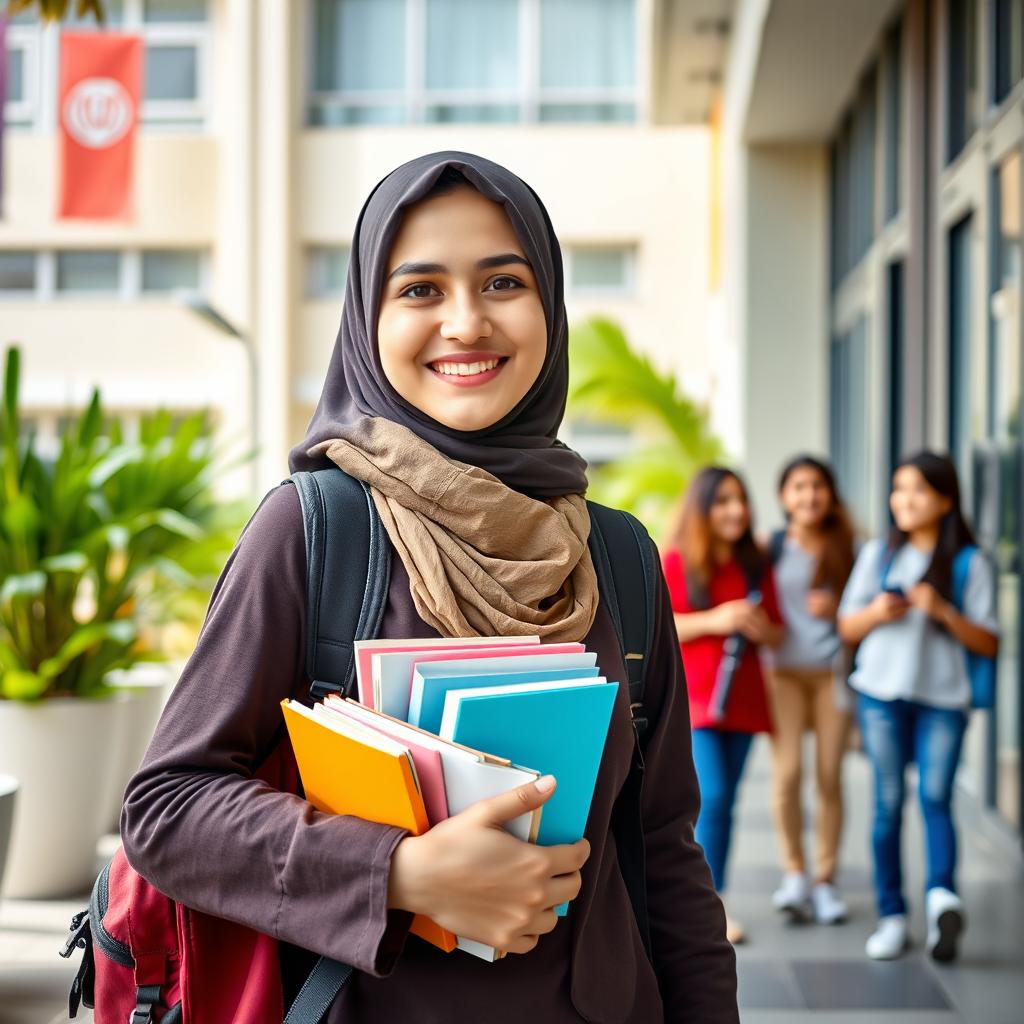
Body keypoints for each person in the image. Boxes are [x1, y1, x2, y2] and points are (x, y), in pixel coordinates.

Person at [119, 152, 739, 1022]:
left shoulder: (621, 559)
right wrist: (399, 873)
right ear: (367, 319)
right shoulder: (315, 532)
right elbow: (166, 809)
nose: (466, 321)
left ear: (549, 306)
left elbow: (665, 850)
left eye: (503, 282)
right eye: (419, 290)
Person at [837, 451, 999, 963]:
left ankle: (940, 903)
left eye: (918, 490)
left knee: (935, 798)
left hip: (943, 701)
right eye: (898, 488)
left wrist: (942, 612)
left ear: (946, 500)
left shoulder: (972, 562)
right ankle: (891, 915)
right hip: (881, 695)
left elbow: (989, 642)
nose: (904, 500)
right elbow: (846, 628)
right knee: (887, 804)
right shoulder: (880, 553)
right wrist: (879, 613)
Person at [661, 466, 784, 945]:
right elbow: (667, 625)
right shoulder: (677, 560)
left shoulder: (756, 564)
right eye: (723, 501)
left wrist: (756, 627)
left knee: (726, 801)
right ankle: (704, 904)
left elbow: (776, 631)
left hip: (744, 699)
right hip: (698, 699)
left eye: (741, 500)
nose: (736, 510)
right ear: (703, 509)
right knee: (709, 796)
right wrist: (719, 619)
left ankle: (715, 895)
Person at [765, 456, 856, 926]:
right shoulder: (772, 547)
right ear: (784, 497)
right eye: (798, 487)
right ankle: (794, 873)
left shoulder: (848, 548)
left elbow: (866, 611)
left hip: (829, 673)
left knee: (827, 775)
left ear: (830, 494)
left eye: (817, 486)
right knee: (788, 775)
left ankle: (825, 880)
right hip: (781, 674)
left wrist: (840, 608)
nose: (809, 496)